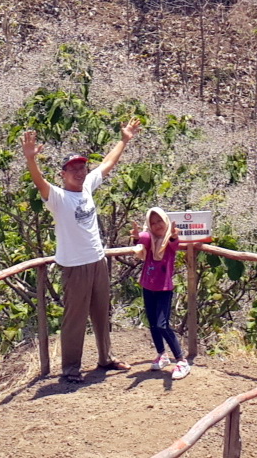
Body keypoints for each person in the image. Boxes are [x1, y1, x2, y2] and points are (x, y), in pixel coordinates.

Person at [22, 118, 142, 384]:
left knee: (101, 312)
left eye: (82, 167)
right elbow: (38, 181)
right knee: (75, 319)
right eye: (73, 168)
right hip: (74, 265)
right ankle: (70, 369)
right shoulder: (57, 197)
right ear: (63, 174)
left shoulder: (87, 187)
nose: (79, 171)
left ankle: (105, 358)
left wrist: (124, 140)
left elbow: (108, 164)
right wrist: (31, 159)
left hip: (97, 259)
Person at [132, 206, 189, 379]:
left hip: (164, 288)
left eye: (160, 221)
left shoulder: (169, 242)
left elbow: (174, 242)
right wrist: (136, 236)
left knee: (162, 324)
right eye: (153, 222)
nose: (157, 225)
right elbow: (144, 238)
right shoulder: (150, 240)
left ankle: (181, 360)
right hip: (148, 286)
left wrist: (173, 236)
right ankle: (162, 354)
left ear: (166, 222)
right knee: (152, 322)